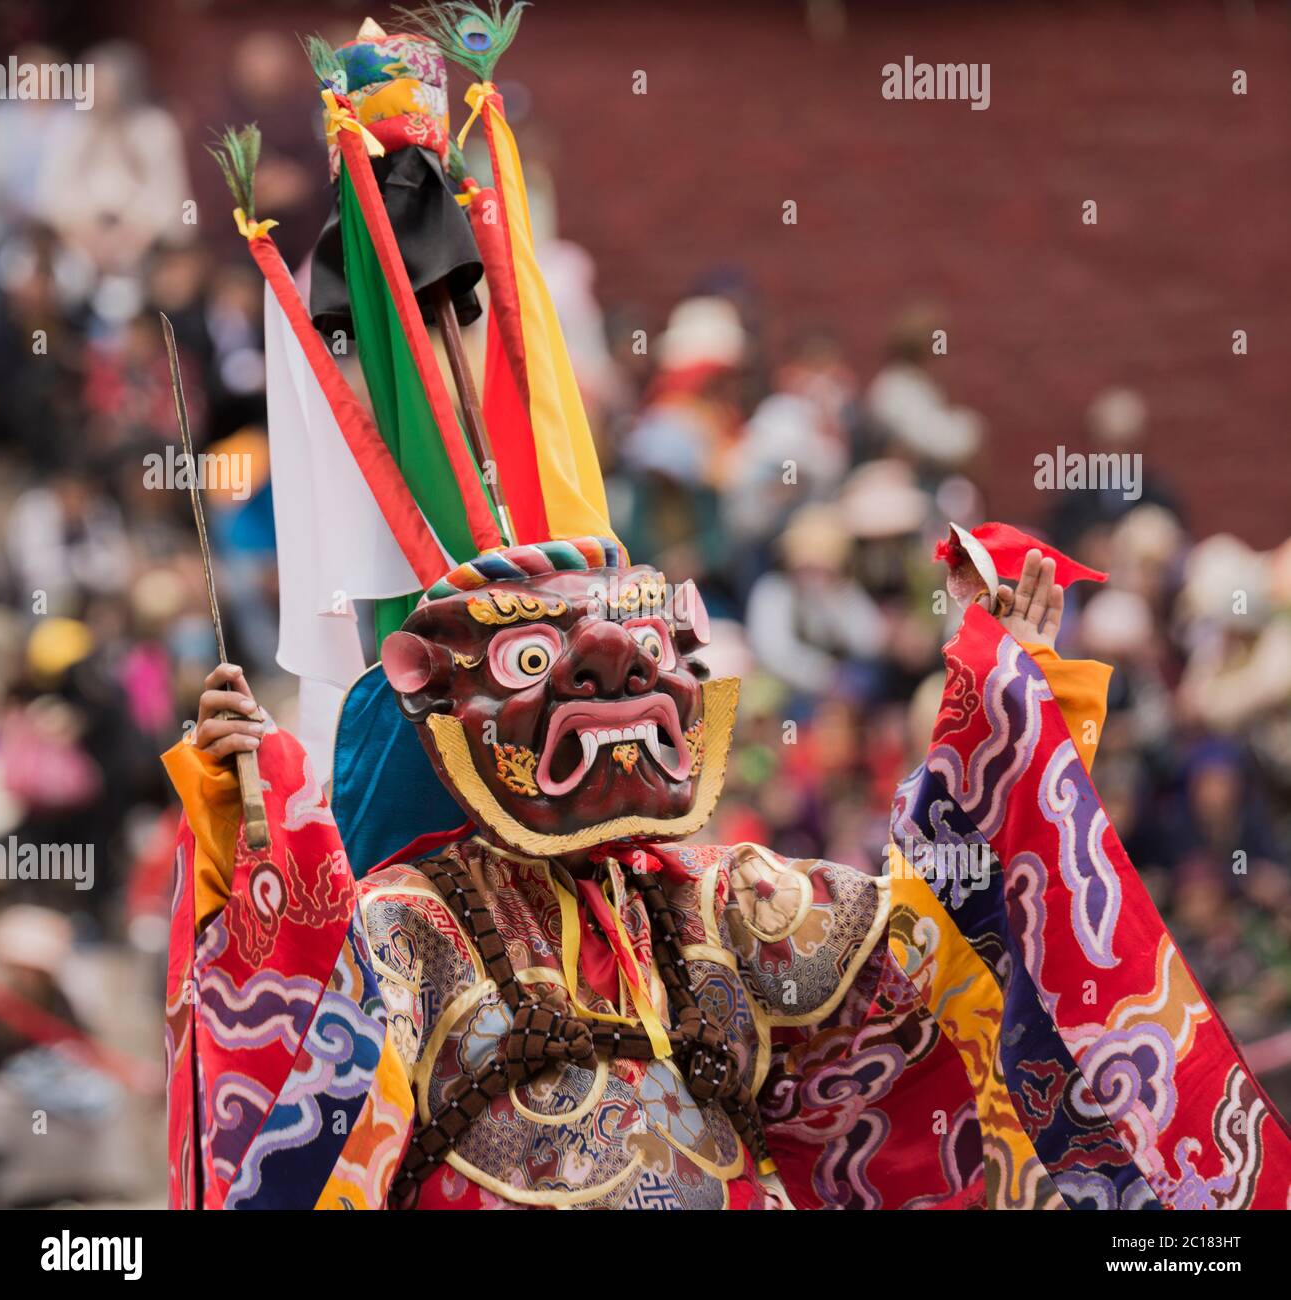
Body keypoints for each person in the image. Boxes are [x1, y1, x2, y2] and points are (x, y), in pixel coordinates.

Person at [160, 7, 1290, 1211]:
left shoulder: (704, 909)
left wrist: (1003, 708)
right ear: (428, 687)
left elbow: (927, 957)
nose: (615, 673)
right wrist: (247, 842)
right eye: (544, 653)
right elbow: (274, 1117)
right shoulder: (405, 932)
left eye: (637, 633)